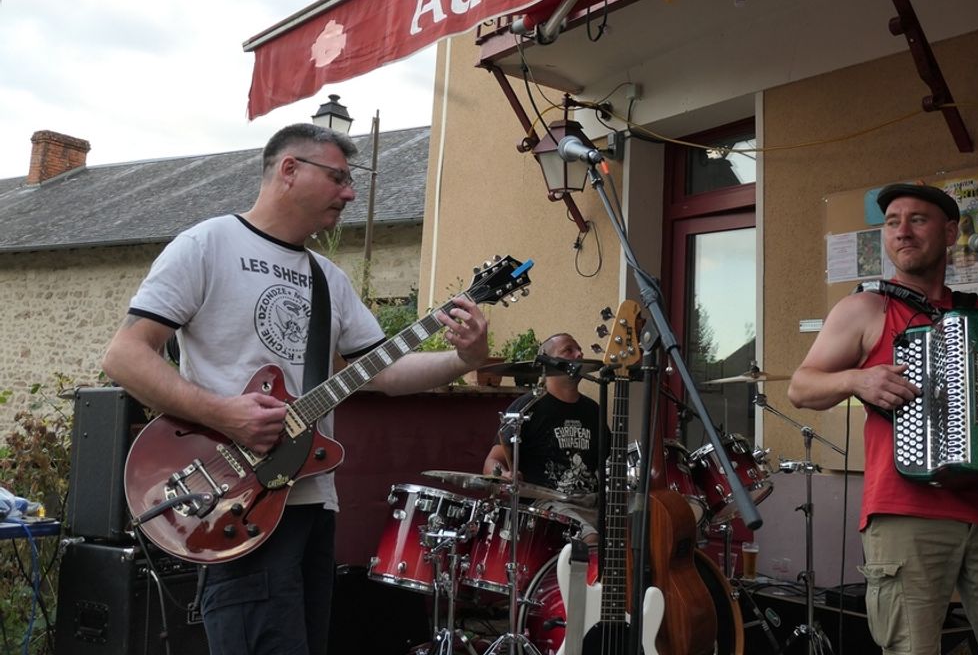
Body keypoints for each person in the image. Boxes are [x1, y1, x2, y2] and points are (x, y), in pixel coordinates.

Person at [102, 123, 489, 655]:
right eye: (338, 177)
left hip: (309, 502)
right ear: (289, 170)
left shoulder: (328, 278)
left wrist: (464, 358)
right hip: (234, 500)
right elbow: (124, 356)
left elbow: (381, 373)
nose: (350, 192)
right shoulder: (207, 245)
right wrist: (226, 414)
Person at [787, 183, 978, 655]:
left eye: (917, 219)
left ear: (951, 232)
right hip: (907, 510)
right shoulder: (865, 308)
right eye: (892, 222)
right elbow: (800, 387)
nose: (902, 231)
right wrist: (857, 379)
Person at [482, 332, 603, 539]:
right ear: (546, 362)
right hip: (547, 507)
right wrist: (502, 475)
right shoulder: (527, 407)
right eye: (569, 350)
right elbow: (492, 461)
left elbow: (608, 463)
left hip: (592, 501)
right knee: (590, 539)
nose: (579, 354)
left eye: (579, 350)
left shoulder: (593, 411)